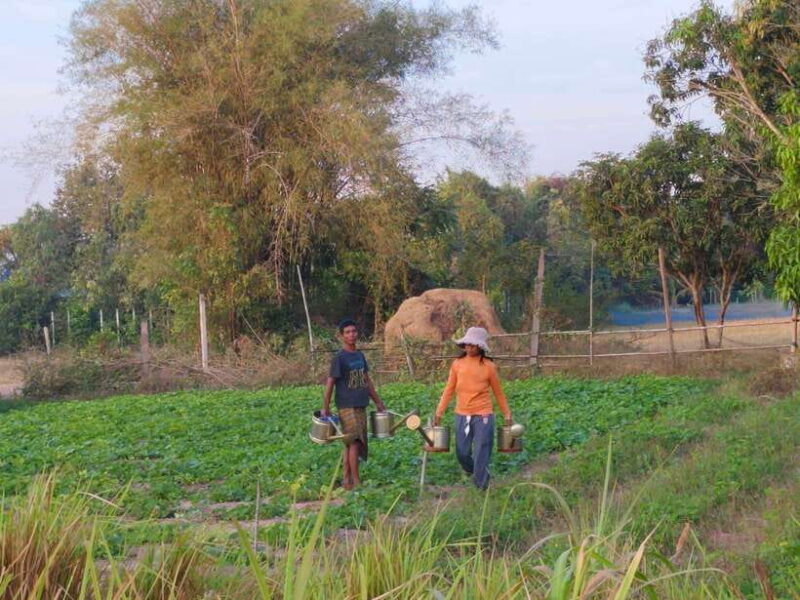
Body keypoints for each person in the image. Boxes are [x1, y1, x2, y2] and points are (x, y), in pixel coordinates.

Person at [434, 326, 511, 490]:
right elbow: (449, 389)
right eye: (467, 344)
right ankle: (476, 472)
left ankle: (481, 487)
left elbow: (498, 392)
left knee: (482, 450)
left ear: (480, 346)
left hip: (483, 414)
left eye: (473, 345)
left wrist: (507, 414)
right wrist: (439, 412)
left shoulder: (489, 366)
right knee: (462, 453)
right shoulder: (457, 364)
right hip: (462, 414)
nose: (469, 348)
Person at [322, 318, 386, 490]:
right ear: (342, 336)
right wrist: (325, 407)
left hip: (360, 404)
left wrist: (378, 401)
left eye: (354, 331)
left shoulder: (359, 356)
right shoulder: (339, 358)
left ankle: (346, 480)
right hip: (346, 405)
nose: (351, 335)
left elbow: (366, 380)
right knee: (354, 442)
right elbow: (330, 383)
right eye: (347, 332)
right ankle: (356, 481)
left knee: (349, 443)